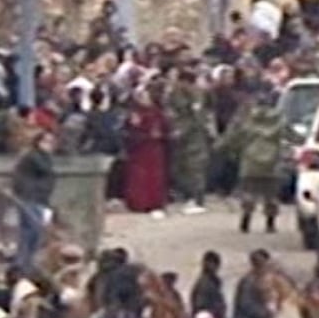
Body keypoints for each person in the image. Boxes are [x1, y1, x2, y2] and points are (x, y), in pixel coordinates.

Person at [217, 90, 289, 233]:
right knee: (271, 195)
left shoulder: (247, 119)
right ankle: (270, 223)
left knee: (249, 192)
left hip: (250, 161)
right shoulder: (279, 120)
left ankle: (246, 221)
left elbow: (233, 137)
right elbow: (291, 135)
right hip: (272, 162)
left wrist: (221, 147)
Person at [166, 70, 214, 214]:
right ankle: (190, 196)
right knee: (183, 167)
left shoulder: (195, 94)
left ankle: (196, 198)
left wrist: (181, 130)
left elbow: (196, 116)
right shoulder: (179, 93)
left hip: (193, 136)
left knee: (194, 167)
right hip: (187, 134)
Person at [11, 131, 57, 273]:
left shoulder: (40, 156)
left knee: (31, 232)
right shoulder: (34, 157)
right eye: (47, 142)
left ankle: (25, 262)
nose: (50, 146)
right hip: (30, 197)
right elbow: (46, 169)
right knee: (33, 230)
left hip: (39, 198)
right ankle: (24, 262)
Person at [123, 88, 170, 216]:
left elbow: (166, 127)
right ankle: (140, 203)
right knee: (140, 176)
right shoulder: (135, 114)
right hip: (141, 149)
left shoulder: (157, 112)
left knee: (156, 176)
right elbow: (130, 131)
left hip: (155, 149)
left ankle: (156, 202)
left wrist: (162, 135)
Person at [190, 251, 230, 318]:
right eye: (211, 264)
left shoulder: (213, 282)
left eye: (215, 264)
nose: (214, 267)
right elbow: (200, 307)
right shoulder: (204, 284)